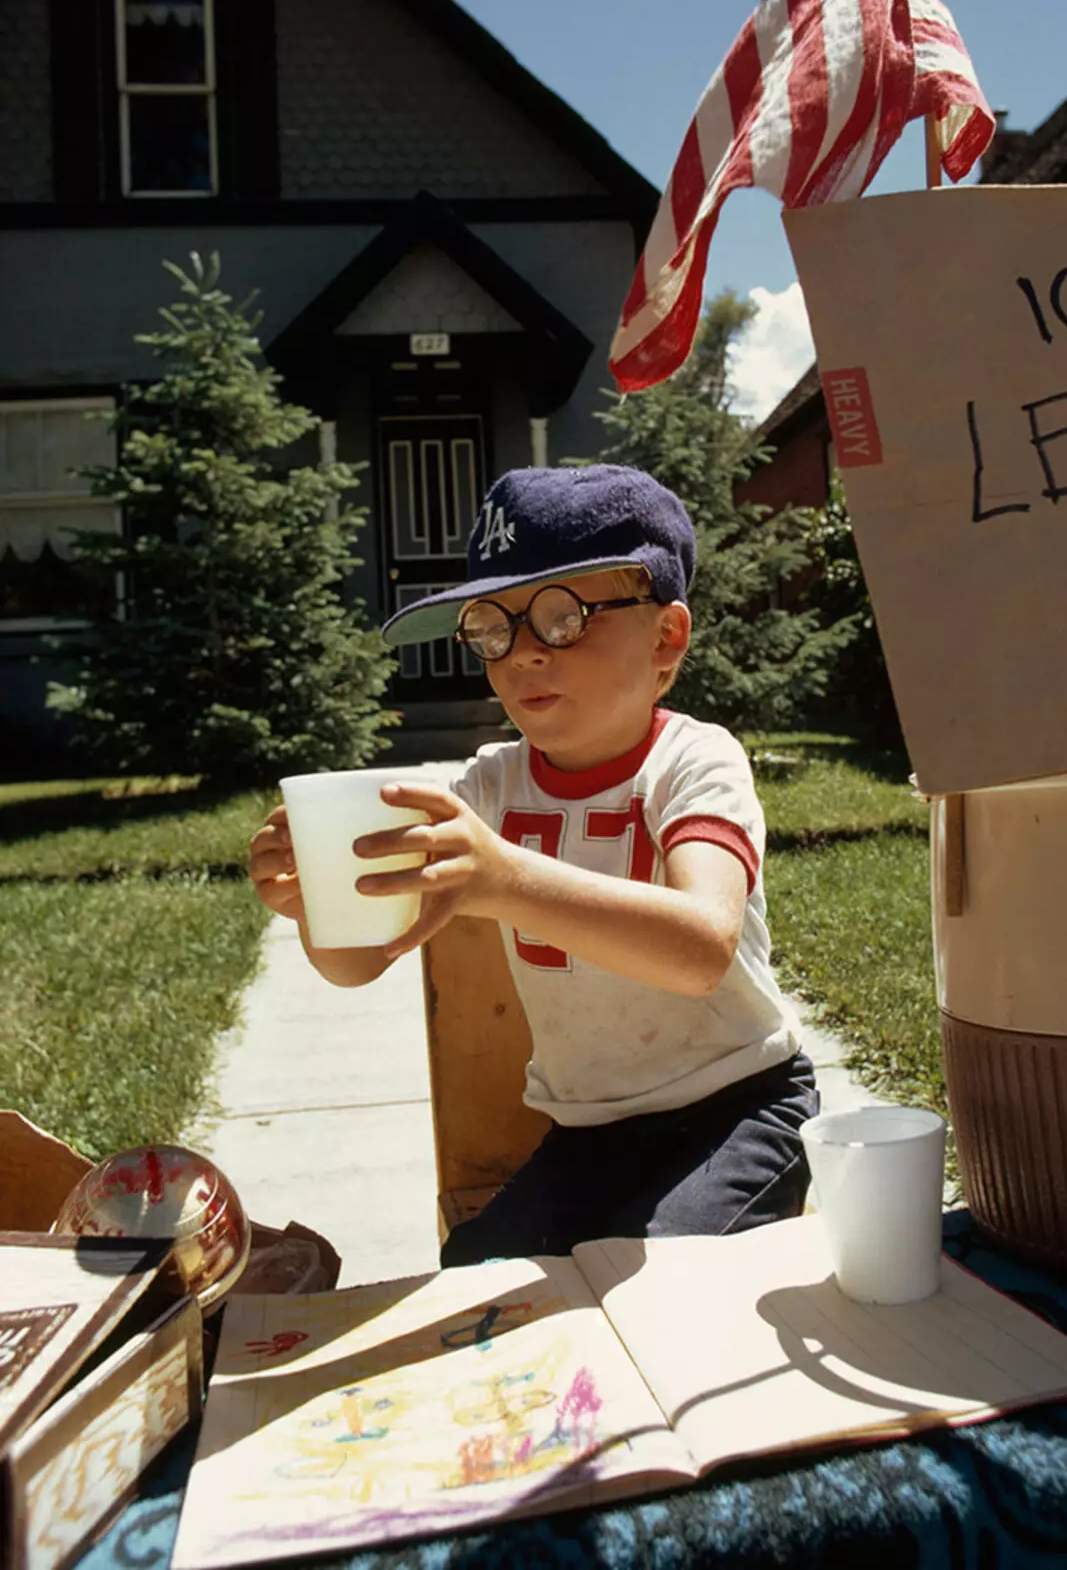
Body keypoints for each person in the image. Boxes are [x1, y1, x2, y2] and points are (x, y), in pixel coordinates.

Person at [249, 464, 819, 1265]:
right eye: (492, 627)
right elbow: (358, 961)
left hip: (739, 1110)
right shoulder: (486, 786)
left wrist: (506, 878)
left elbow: (700, 950)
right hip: (588, 1131)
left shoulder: (694, 763)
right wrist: (314, 902)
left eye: (561, 617)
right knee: (476, 1276)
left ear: (666, 638)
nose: (521, 656)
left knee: (656, 1288)